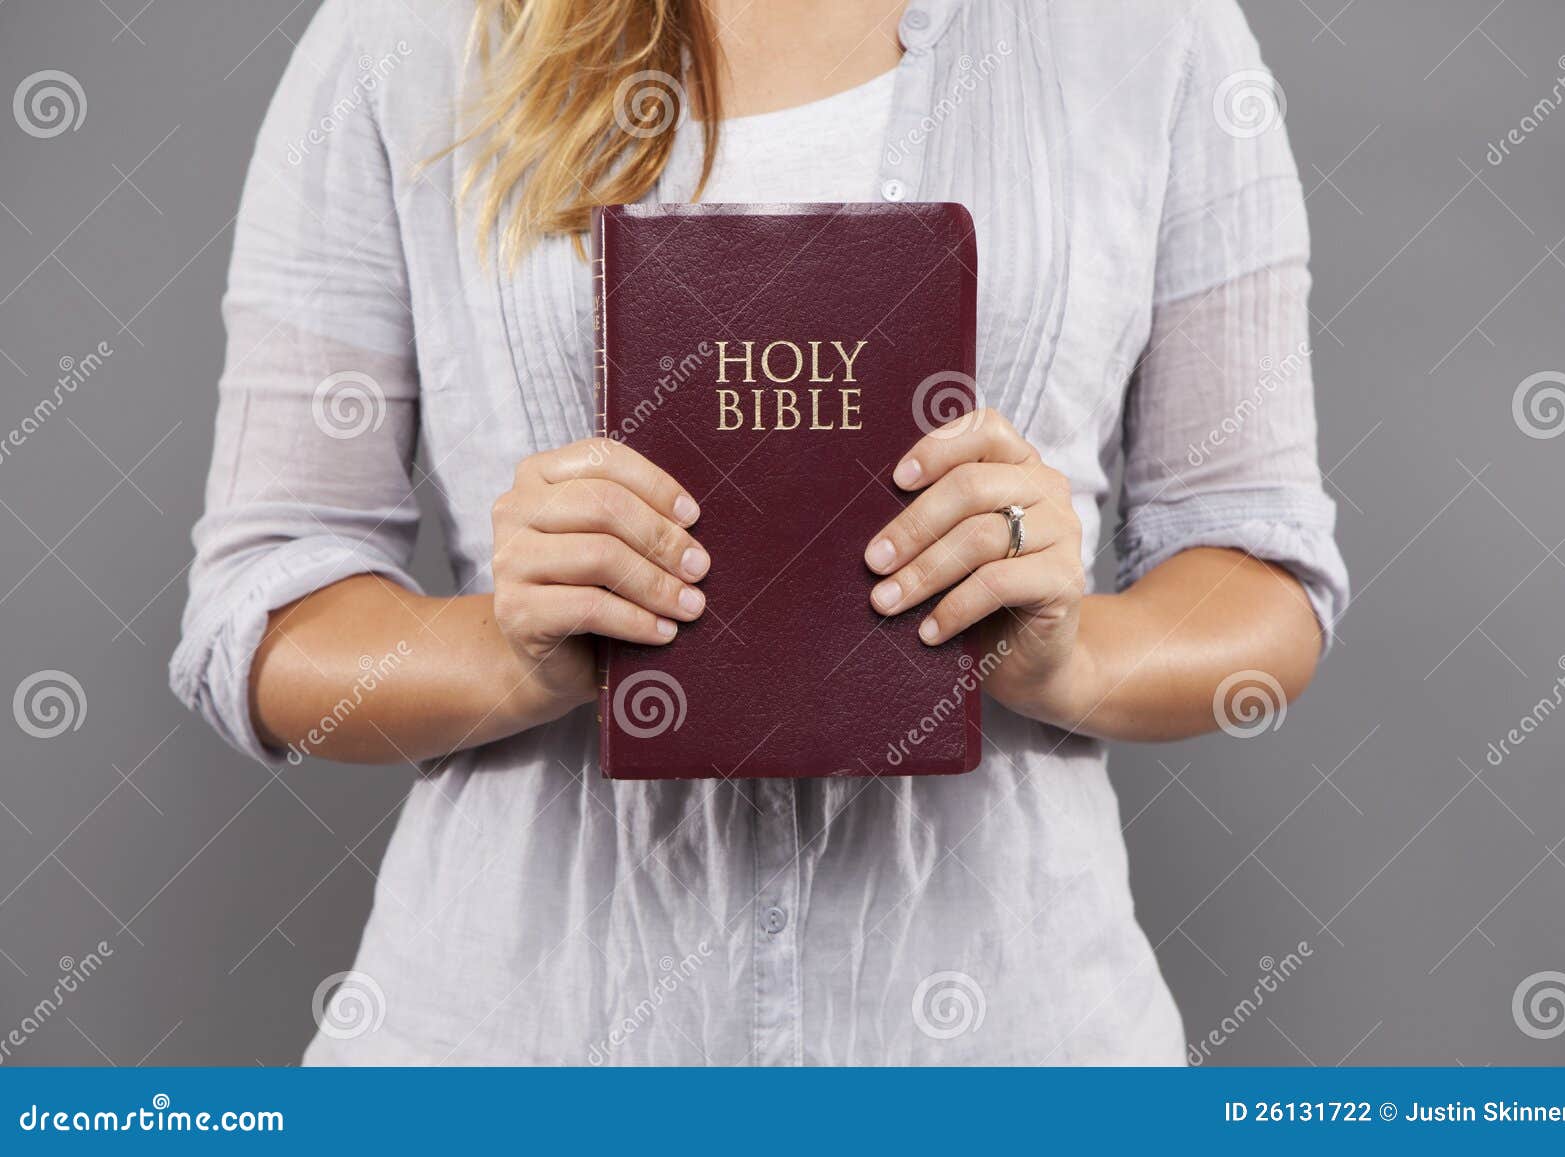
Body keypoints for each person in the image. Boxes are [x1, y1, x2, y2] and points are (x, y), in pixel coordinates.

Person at [172, 0, 1348, 1064]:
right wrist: (507, 652)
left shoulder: (1149, 34)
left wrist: (1070, 656)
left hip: (1002, 1052)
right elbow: (262, 603)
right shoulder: (408, 36)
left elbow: (1260, 568)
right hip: (518, 1050)